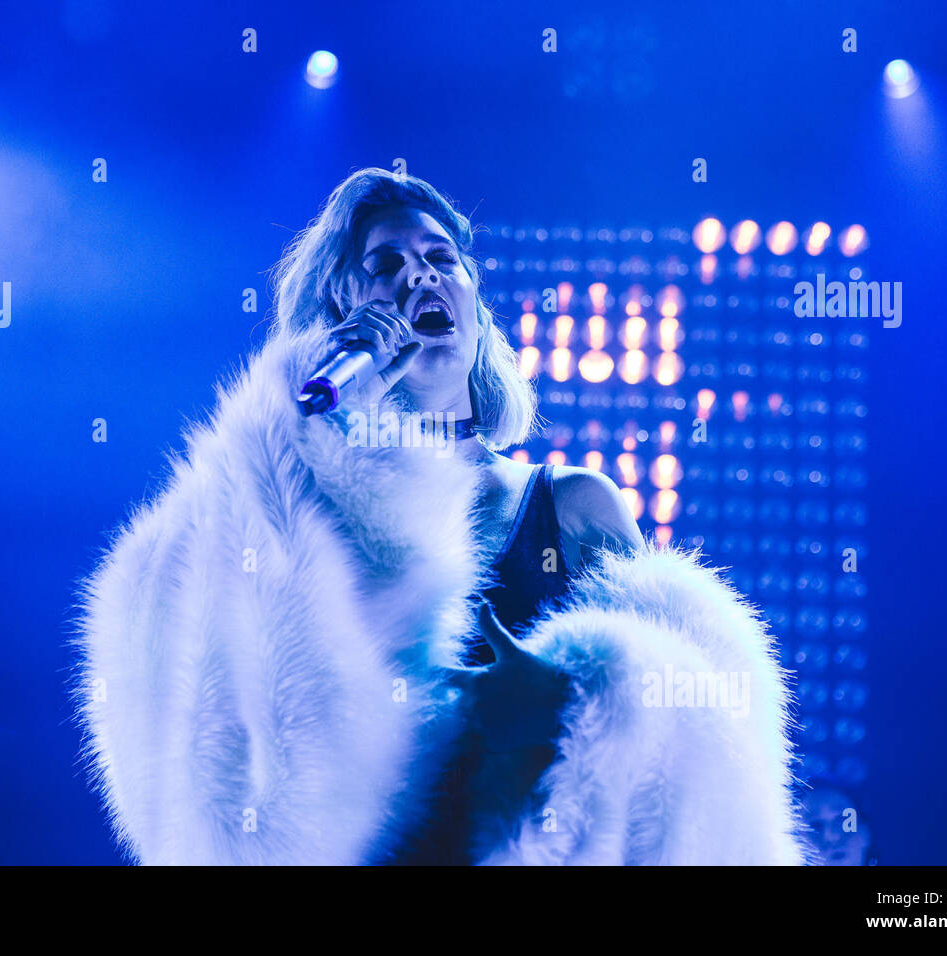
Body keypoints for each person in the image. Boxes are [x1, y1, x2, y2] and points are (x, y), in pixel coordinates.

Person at [71, 168, 808, 865]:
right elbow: (205, 726)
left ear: (477, 316)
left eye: (440, 257)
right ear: (339, 320)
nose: (418, 274)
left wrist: (569, 698)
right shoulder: (294, 526)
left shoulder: (572, 505)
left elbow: (696, 755)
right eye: (384, 265)